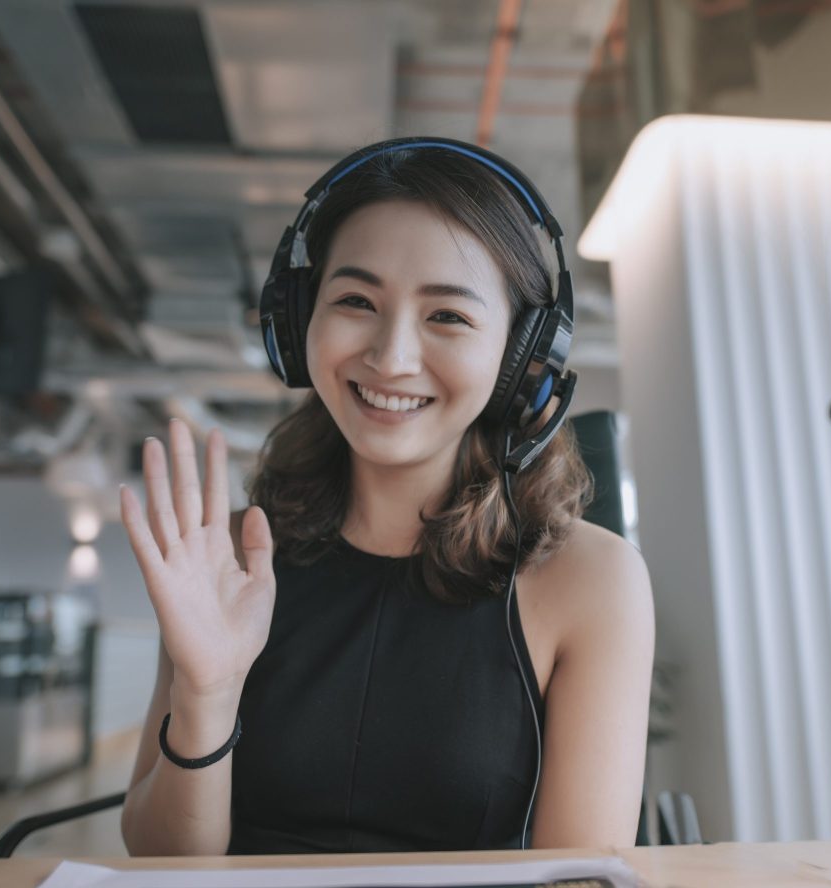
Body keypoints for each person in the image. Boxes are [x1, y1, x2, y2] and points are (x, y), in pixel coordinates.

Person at [117, 139, 654, 856]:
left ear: (521, 357)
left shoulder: (591, 580)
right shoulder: (231, 556)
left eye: (448, 317)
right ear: (299, 320)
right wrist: (206, 693)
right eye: (355, 301)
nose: (391, 357)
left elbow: (578, 878)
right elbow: (160, 863)